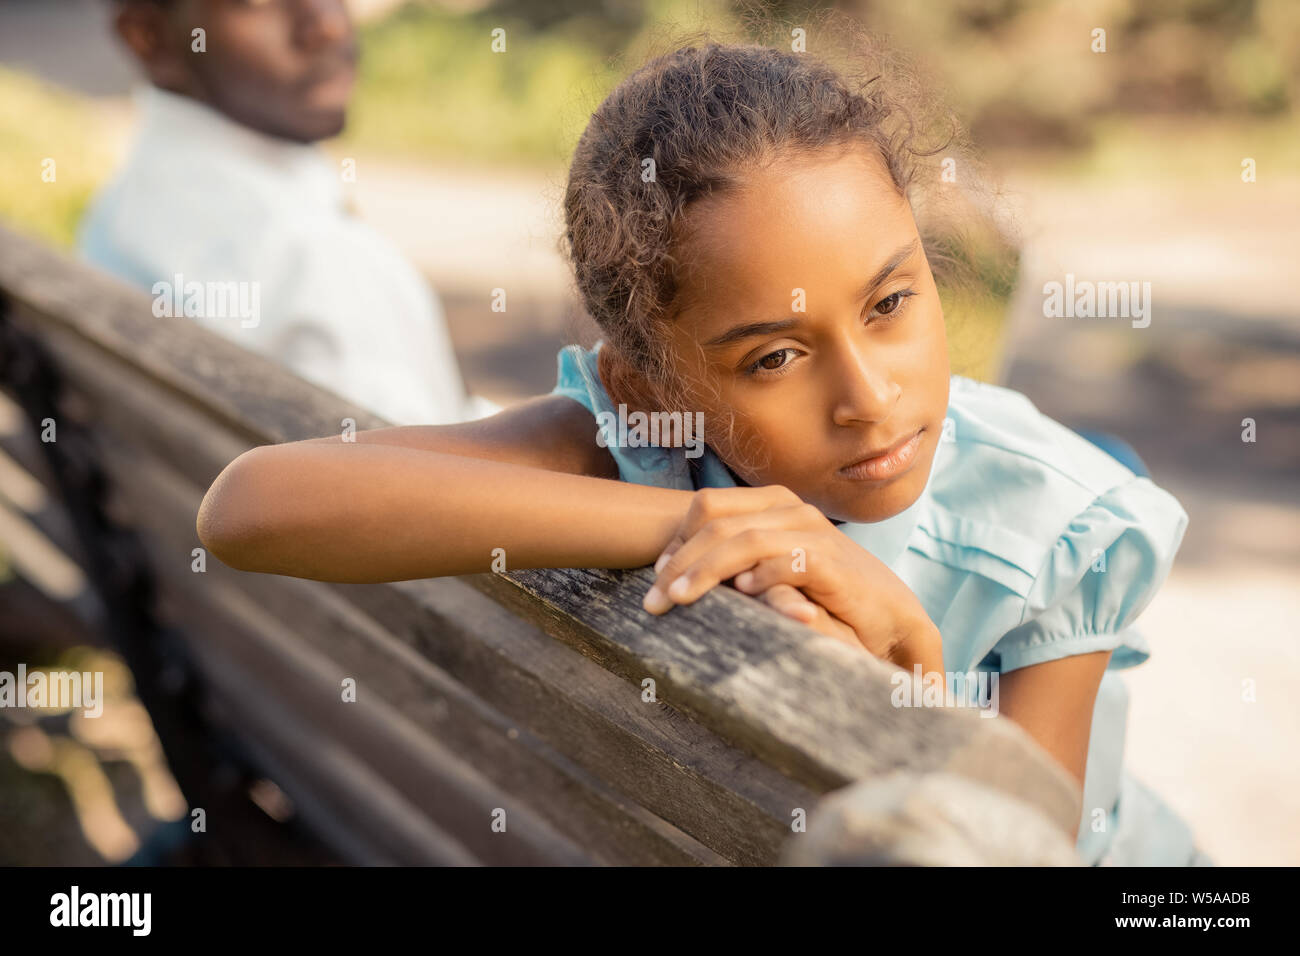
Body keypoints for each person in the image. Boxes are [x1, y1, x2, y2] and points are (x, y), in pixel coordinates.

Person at [194, 37, 1209, 865]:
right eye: (774, 355)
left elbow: (1022, 849)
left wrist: (910, 702)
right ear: (648, 383)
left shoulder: (1056, 527)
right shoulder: (648, 447)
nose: (869, 395)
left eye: (891, 302)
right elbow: (249, 507)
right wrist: (690, 517)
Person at [79, 0, 496, 425]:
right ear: (149, 38)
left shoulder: (119, 212)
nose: (327, 24)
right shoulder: (314, 260)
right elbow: (423, 483)